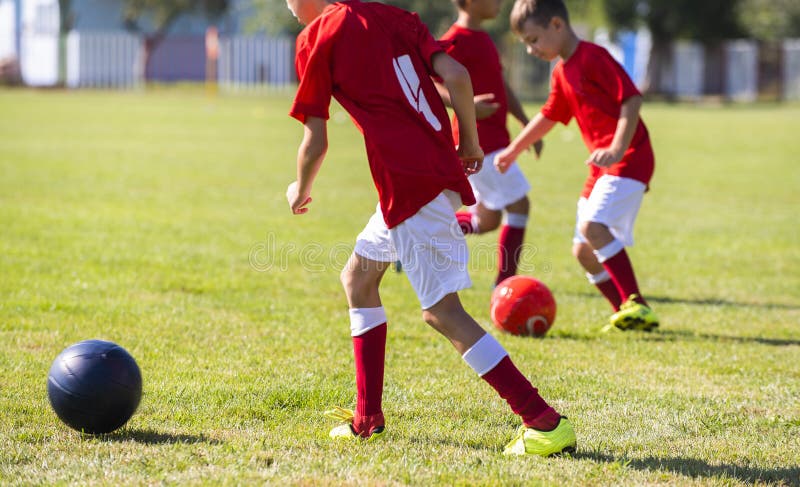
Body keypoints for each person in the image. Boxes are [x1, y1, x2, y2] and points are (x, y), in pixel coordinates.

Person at [284, 0, 576, 456]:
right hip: (432, 170)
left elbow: (315, 140)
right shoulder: (395, 16)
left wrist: (299, 189)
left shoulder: (317, 37)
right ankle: (367, 418)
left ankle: (543, 421)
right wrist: (470, 142)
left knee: (442, 312)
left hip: (408, 184)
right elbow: (457, 76)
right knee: (358, 279)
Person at [497, 0, 659, 331]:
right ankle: (625, 314)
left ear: (557, 25)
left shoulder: (593, 57)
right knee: (582, 250)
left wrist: (617, 147)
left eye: (533, 40)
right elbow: (549, 115)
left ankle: (637, 303)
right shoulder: (561, 72)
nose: (530, 50)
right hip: (600, 167)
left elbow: (631, 99)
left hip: (629, 157)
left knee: (593, 228)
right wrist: (514, 150)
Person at [439, 0, 542, 288]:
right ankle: (505, 284)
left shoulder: (483, 38)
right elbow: (430, 81)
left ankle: (420, 236)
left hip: (494, 141)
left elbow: (500, 84)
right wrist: (466, 103)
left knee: (487, 220)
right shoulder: (453, 40)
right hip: (479, 144)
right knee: (519, 205)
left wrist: (525, 122)